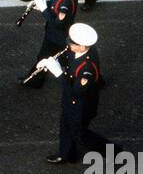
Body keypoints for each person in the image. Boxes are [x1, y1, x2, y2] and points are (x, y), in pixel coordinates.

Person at [43, 23, 113, 164]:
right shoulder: (77, 50)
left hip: (81, 106)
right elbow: (68, 59)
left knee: (80, 135)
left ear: (82, 47)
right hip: (70, 101)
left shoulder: (87, 69)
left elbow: (76, 93)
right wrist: (52, 61)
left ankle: (115, 153)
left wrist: (58, 72)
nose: (69, 44)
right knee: (65, 126)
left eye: (72, 43)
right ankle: (67, 154)